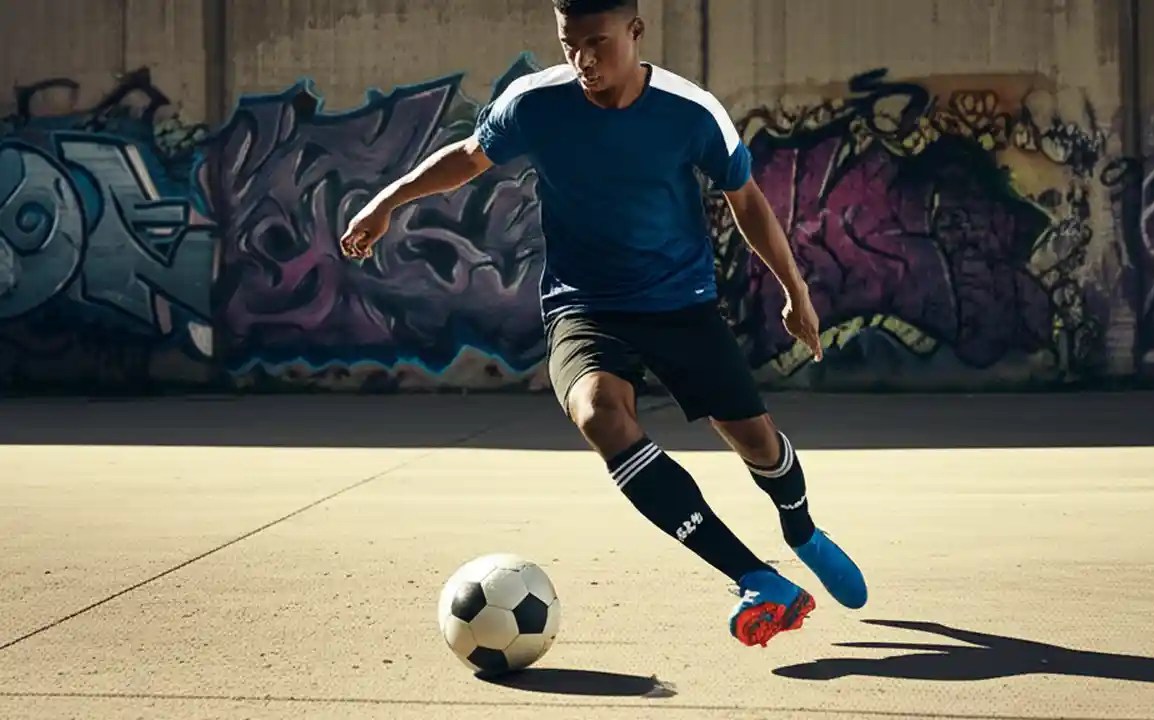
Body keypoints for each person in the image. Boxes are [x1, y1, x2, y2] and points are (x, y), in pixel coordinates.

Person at [340, 0, 867, 648]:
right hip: (583, 305)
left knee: (756, 443)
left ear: (635, 32)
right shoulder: (534, 103)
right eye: (570, 45)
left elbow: (747, 199)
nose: (583, 60)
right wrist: (386, 202)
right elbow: (471, 156)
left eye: (598, 42)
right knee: (598, 413)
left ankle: (800, 527)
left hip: (681, 304)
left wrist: (797, 292)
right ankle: (756, 577)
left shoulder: (689, 109)